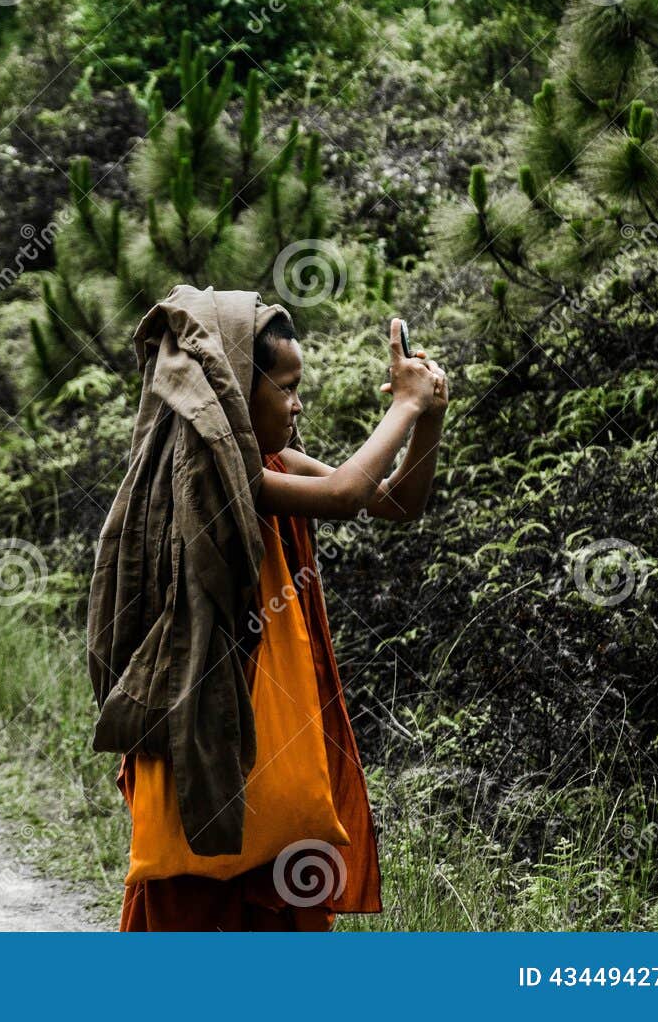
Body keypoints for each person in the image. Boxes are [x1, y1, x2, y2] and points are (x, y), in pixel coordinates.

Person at [117, 312, 448, 931]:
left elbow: (398, 503)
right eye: (287, 388)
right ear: (236, 388)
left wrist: (428, 415)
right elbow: (345, 496)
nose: (298, 406)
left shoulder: (276, 461)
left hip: (275, 734)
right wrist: (403, 406)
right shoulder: (210, 471)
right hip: (207, 730)